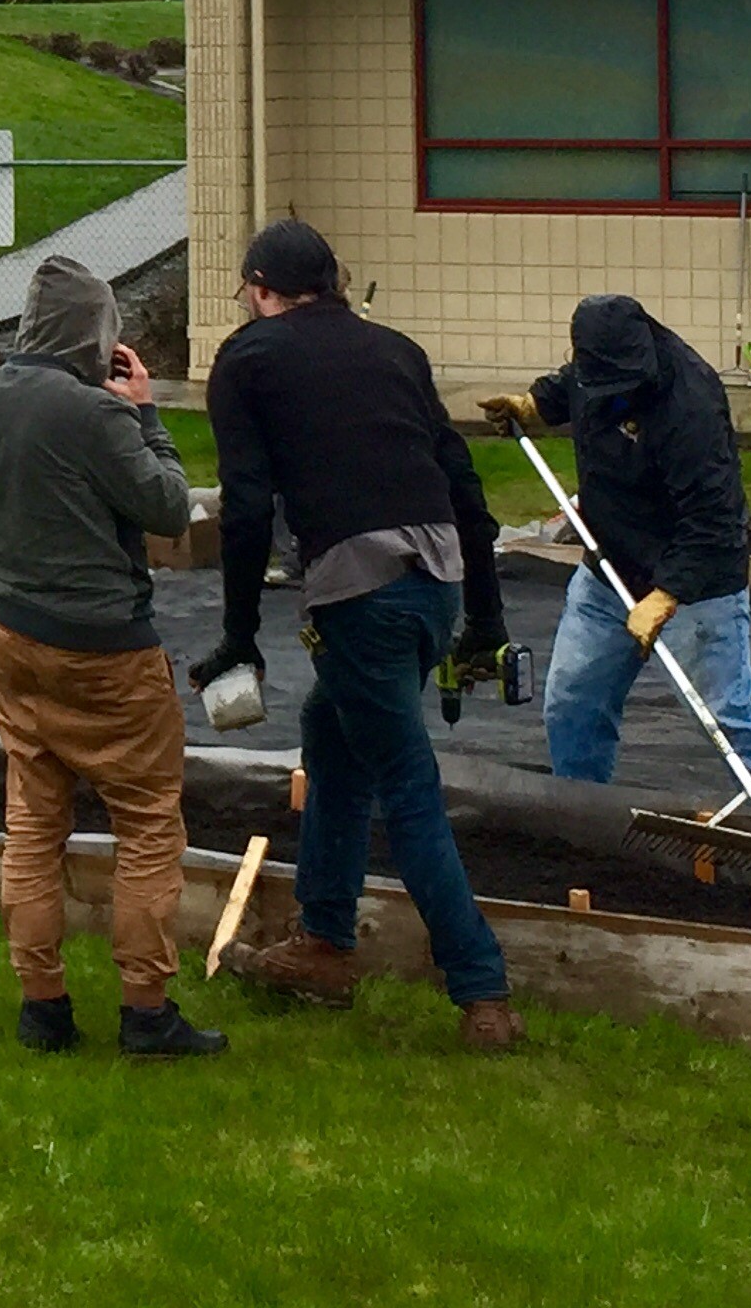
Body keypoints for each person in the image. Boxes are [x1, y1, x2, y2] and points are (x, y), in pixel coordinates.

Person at [210, 221, 520, 1054]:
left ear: (261, 288)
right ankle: (323, 944)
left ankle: (482, 992)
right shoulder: (396, 351)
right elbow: (461, 482)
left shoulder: (250, 359)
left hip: (362, 594)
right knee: (331, 733)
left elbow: (245, 509)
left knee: (407, 785)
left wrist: (239, 637)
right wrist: (484, 619)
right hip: (437, 585)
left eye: (247, 292)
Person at [0, 254, 220, 1058]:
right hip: (108, 651)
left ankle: (43, 1009)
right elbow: (171, 510)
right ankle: (145, 1012)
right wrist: (145, 414)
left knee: (31, 826)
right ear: (96, 336)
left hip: (17, 641)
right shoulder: (96, 415)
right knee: (146, 825)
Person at [483, 291, 751, 823]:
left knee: (725, 714)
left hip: (697, 585)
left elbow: (713, 520)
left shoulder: (690, 404)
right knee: (573, 701)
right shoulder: (598, 369)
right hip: (608, 571)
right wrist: (534, 404)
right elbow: (573, 383)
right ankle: (583, 819)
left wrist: (665, 595)